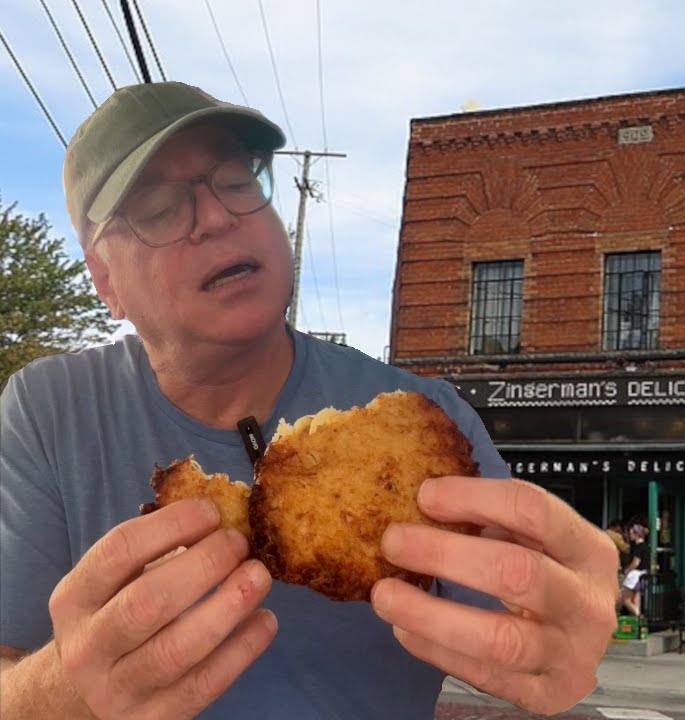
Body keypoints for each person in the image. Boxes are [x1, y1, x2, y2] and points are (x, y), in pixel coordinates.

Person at [0, 82, 618, 720]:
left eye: (237, 180)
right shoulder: (48, 409)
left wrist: (560, 639)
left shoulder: (428, 420)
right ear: (105, 281)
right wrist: (56, 698)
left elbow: (529, 637)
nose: (217, 217)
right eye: (158, 209)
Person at [619, 520, 649, 617]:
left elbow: (636, 562)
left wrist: (627, 570)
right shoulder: (646, 547)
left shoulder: (638, 547)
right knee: (636, 599)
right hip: (642, 575)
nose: (630, 535)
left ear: (637, 534)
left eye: (632, 533)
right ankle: (637, 624)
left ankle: (638, 615)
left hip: (635, 576)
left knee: (624, 598)